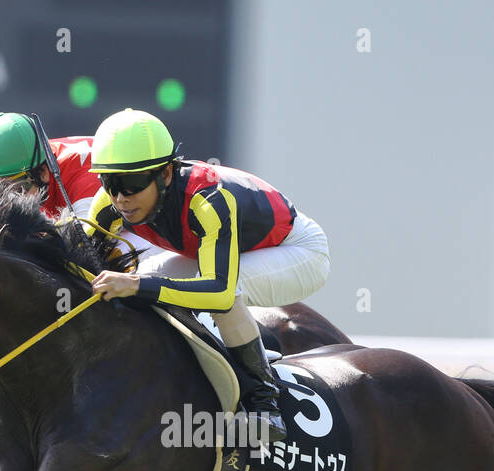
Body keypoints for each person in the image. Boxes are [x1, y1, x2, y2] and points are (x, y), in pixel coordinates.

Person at [84, 109, 330, 447]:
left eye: (132, 183)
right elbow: (84, 266)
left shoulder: (207, 201)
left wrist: (136, 286)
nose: (120, 197)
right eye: (109, 183)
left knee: (219, 289)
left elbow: (217, 291)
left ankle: (263, 404)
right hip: (225, 249)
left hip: (299, 250)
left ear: (166, 173)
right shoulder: (110, 204)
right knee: (150, 275)